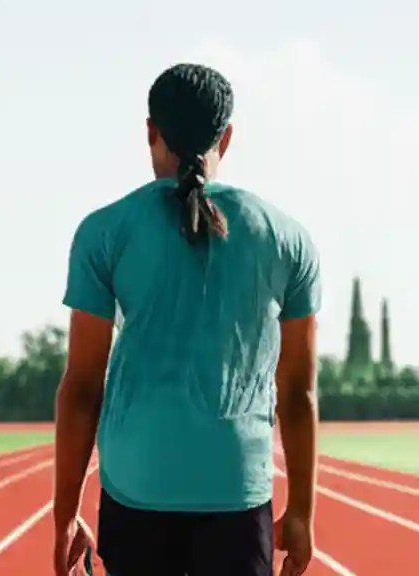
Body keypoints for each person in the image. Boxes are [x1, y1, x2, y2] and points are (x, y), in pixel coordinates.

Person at [51, 63, 321, 576]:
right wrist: (302, 511)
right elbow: (298, 392)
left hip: (136, 486)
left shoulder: (104, 232)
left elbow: (82, 387)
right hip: (236, 491)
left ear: (151, 132)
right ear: (228, 137)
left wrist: (66, 514)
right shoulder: (288, 239)